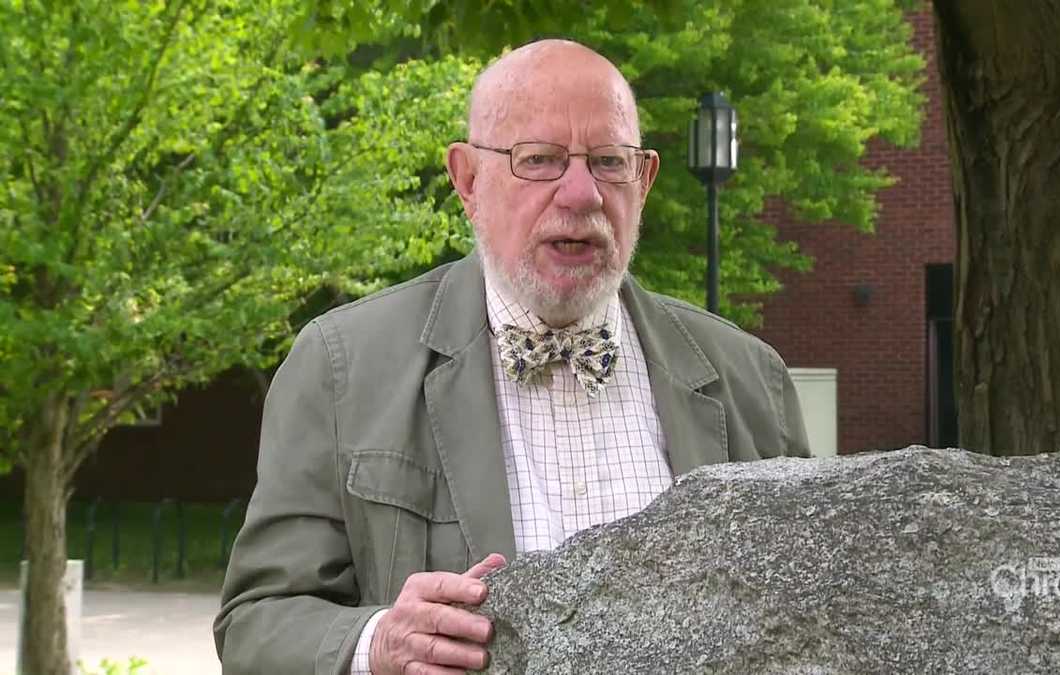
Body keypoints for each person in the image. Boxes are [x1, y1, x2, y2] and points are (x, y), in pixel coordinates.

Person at [214, 39, 809, 674]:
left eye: (608, 161)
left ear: (645, 180)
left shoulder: (750, 380)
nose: (580, 194)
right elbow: (256, 624)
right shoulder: (340, 367)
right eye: (540, 160)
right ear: (467, 179)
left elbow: (814, 618)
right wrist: (378, 643)